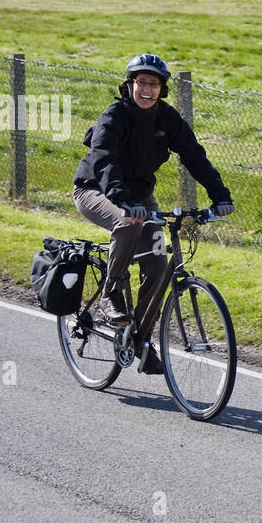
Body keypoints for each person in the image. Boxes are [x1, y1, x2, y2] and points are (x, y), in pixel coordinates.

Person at [73, 53, 234, 374]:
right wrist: (121, 200)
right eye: (142, 82)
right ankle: (111, 292)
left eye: (154, 84)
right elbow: (104, 160)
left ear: (162, 89)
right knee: (127, 221)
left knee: (159, 265)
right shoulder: (114, 116)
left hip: (140, 196)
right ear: (129, 85)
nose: (147, 89)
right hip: (96, 190)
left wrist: (220, 196)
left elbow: (195, 156)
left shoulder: (166, 119)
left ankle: (141, 341)